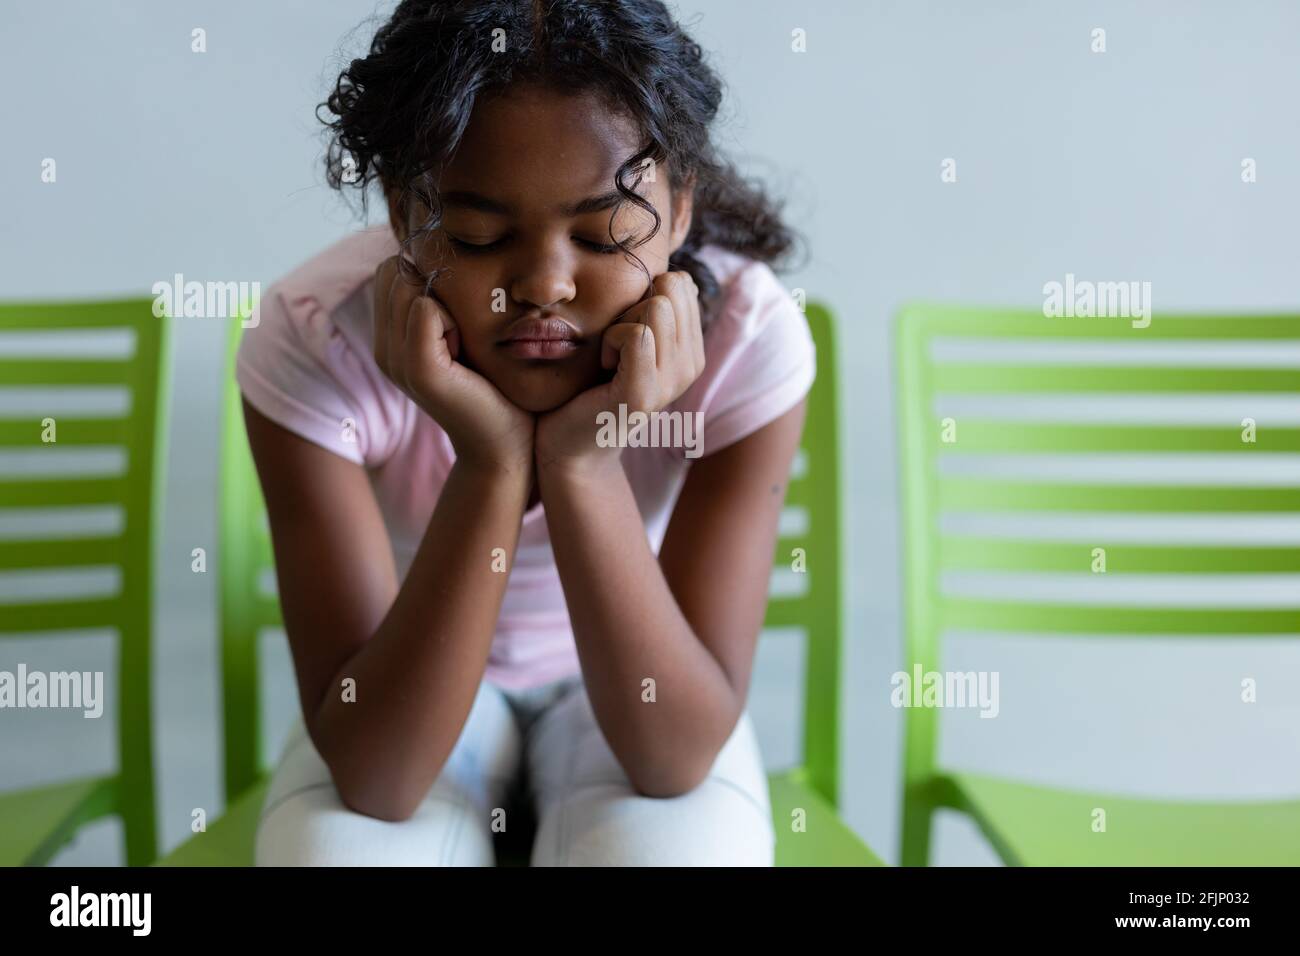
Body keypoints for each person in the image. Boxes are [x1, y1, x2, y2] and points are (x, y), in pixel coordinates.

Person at [240, 0, 815, 866]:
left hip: (627, 679)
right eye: (479, 236)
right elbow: (376, 777)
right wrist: (492, 459)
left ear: (681, 209)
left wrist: (582, 465)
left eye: (602, 231)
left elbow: (674, 757)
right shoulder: (315, 337)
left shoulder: (746, 343)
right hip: (417, 669)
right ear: (404, 217)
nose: (544, 285)